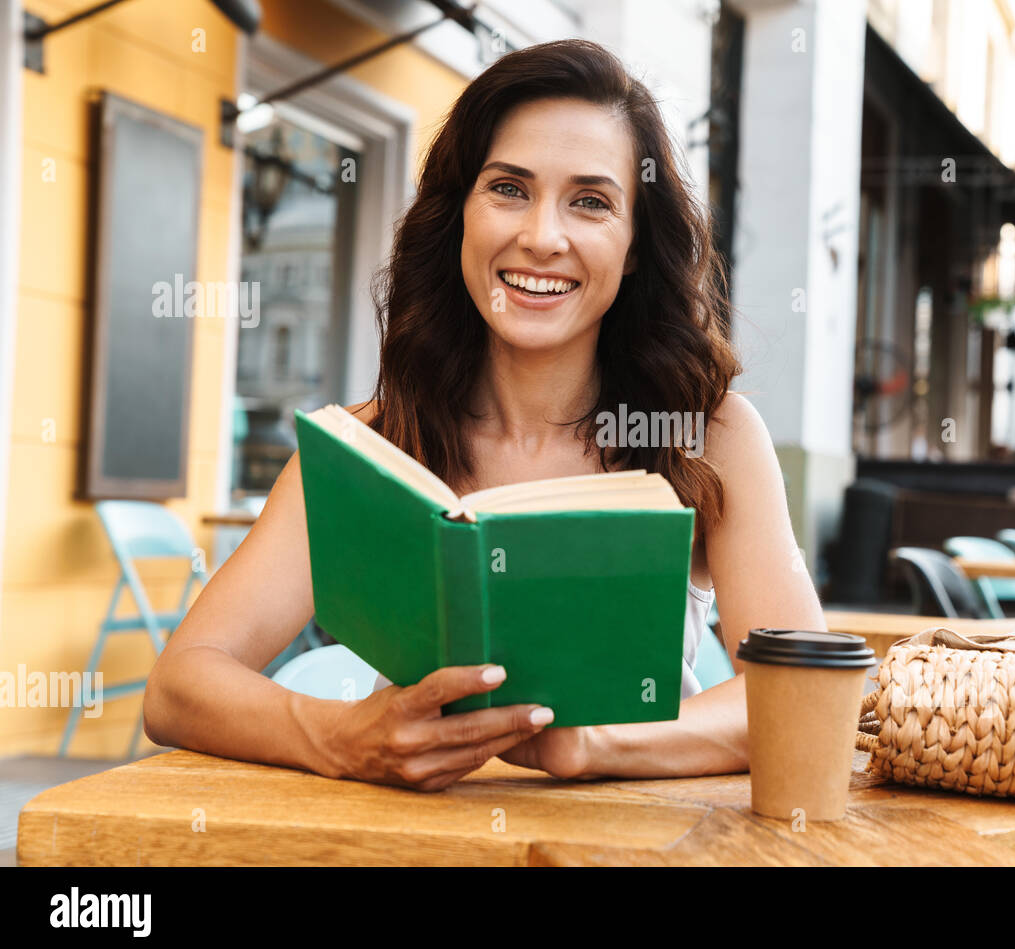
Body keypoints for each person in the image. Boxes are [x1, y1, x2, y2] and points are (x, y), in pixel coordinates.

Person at [143, 39, 825, 792]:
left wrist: (597, 743)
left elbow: (801, 692)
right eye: (509, 188)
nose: (542, 236)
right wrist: (340, 736)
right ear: (459, 214)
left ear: (634, 246)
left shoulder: (708, 437)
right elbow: (178, 685)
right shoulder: (370, 445)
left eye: (591, 202)